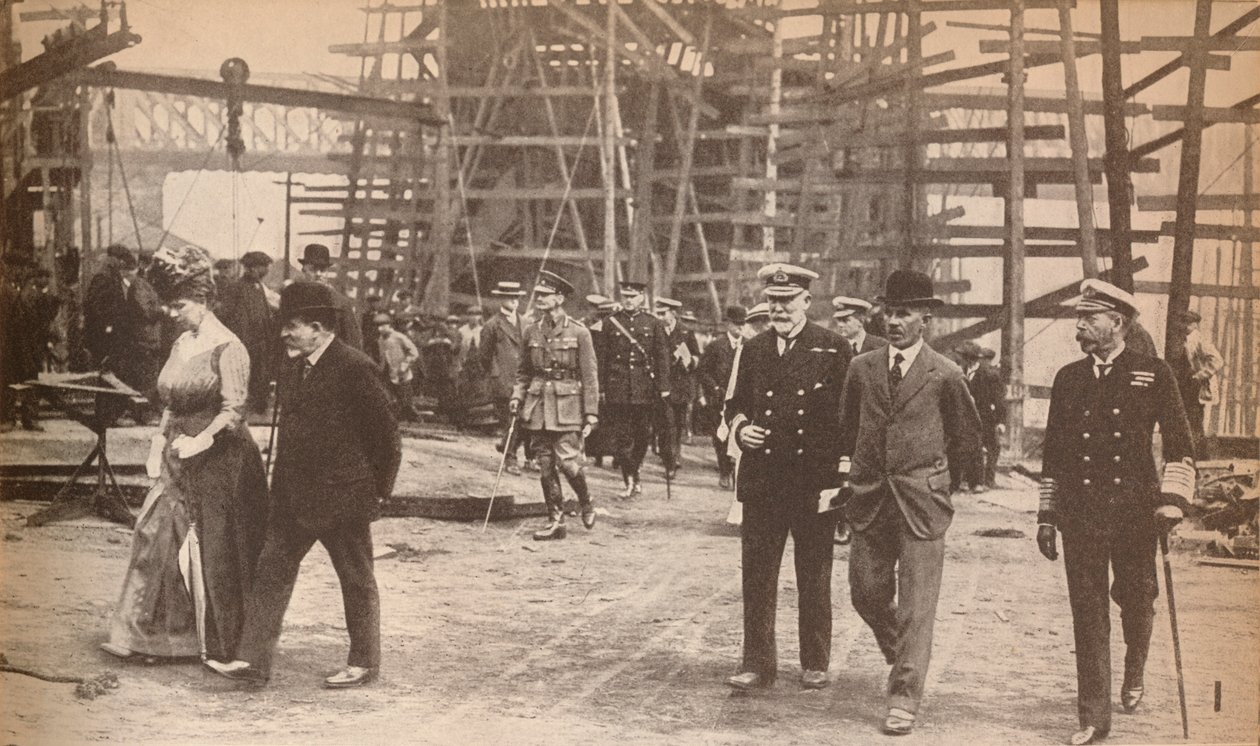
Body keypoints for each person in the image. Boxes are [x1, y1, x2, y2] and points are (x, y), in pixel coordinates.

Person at [206, 281, 400, 689]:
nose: (284, 334)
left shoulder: (355, 367)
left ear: (318, 327)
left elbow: (386, 437)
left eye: (292, 326)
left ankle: (364, 663)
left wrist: (378, 492)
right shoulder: (294, 365)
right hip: (294, 498)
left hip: (341, 498)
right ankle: (252, 662)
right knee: (271, 572)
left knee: (356, 579)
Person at [1037, 279, 1195, 746]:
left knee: (1136, 600)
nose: (1080, 327)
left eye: (1090, 319)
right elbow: (1055, 453)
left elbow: (1182, 445)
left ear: (1117, 323)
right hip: (1080, 515)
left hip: (1134, 514)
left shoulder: (1153, 372)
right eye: (1079, 319)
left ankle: (1135, 665)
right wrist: (1047, 515)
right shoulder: (1069, 378)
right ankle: (1093, 717)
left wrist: (1172, 500)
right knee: (1087, 613)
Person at [101, 245, 268, 664]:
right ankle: (153, 635)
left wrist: (203, 439)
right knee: (155, 535)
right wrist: (158, 441)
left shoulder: (230, 348)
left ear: (206, 302)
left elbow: (234, 409)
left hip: (218, 457)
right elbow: (171, 401)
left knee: (211, 545)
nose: (174, 312)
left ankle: (214, 638)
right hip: (177, 451)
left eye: (181, 305)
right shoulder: (181, 343)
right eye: (171, 304)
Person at [836, 269, 982, 735]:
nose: (894, 321)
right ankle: (900, 651)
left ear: (926, 319)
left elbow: (966, 440)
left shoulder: (946, 373)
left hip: (923, 503)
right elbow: (846, 428)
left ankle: (904, 697)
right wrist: (851, 479)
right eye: (889, 313)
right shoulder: (862, 368)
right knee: (866, 592)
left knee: (917, 607)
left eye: (905, 314)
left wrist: (943, 486)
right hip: (870, 497)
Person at [723, 264, 851, 692]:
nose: (778, 308)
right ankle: (757, 663)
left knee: (813, 575)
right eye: (773, 301)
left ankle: (814, 661)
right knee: (757, 575)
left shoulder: (832, 349)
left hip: (812, 480)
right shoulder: (754, 349)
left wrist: (841, 479)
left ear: (806, 303)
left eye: (787, 300)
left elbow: (847, 419)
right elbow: (733, 404)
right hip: (763, 481)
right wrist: (742, 429)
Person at [509, 270, 599, 540]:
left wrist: (591, 413)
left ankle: (586, 499)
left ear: (559, 298)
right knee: (545, 466)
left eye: (546, 295)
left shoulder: (579, 332)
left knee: (569, 463)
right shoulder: (531, 330)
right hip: (537, 406)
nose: (540, 299)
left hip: (567, 406)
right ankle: (556, 521)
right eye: (538, 295)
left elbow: (590, 375)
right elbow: (523, 372)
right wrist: (517, 396)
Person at [600, 280, 671, 498]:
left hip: (644, 387)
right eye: (625, 296)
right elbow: (602, 357)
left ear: (641, 298)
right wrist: (602, 387)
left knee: (643, 435)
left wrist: (664, 386)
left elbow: (662, 357)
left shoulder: (653, 323)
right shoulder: (610, 323)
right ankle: (629, 479)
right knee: (622, 438)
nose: (628, 300)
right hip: (618, 387)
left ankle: (635, 469)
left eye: (632, 297)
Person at [84, 244, 166, 424]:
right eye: (120, 260)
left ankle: (110, 415)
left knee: (113, 375)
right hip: (106, 336)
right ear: (114, 258)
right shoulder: (104, 277)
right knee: (110, 375)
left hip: (111, 335)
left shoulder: (109, 275)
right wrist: (110, 327)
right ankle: (109, 416)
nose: (122, 264)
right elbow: (99, 308)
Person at [217, 251, 277, 415]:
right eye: (262, 267)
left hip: (261, 341)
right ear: (252, 268)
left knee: (261, 375)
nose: (266, 271)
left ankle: (259, 409)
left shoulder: (259, 287)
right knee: (243, 376)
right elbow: (224, 314)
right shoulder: (236, 287)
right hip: (244, 341)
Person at [480, 281, 528, 474]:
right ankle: (510, 459)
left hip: (523, 380)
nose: (514, 301)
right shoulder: (492, 325)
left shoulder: (526, 323)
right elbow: (484, 356)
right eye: (510, 297)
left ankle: (506, 446)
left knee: (523, 420)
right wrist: (495, 373)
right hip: (503, 379)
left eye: (516, 297)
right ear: (501, 299)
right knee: (510, 420)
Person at [695, 305, 745, 490]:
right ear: (728, 324)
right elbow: (702, 371)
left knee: (739, 433)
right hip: (719, 398)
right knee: (720, 437)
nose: (740, 328)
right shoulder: (716, 346)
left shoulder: (748, 345)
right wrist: (714, 387)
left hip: (740, 399)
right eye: (736, 324)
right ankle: (724, 471)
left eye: (742, 324)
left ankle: (736, 470)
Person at [1168, 309, 1224, 458]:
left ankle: (1200, 455)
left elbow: (1217, 360)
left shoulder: (1199, 339)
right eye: (1183, 323)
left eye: (1188, 323)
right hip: (1189, 386)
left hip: (1197, 386)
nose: (1185, 326)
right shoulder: (1187, 339)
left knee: (1196, 421)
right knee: (1192, 420)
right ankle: (1193, 454)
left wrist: (1200, 375)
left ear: (1194, 324)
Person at [655, 297, 700, 480]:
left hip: (681, 386)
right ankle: (670, 463)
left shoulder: (686, 332)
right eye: (657, 313)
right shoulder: (655, 329)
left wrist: (688, 360)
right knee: (667, 425)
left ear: (672, 313)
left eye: (662, 313)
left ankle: (674, 455)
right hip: (662, 386)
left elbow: (697, 356)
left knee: (678, 425)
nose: (659, 316)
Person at [296, 243, 363, 351]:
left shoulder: (340, 303)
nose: (318, 274)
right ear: (304, 270)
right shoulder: (296, 300)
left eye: (322, 270)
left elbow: (352, 343)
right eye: (313, 269)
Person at [374, 312, 420, 420]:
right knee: (388, 397)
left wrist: (404, 365)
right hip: (388, 371)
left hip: (401, 373)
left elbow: (414, 352)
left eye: (382, 326)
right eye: (378, 326)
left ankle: (415, 418)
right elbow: (383, 356)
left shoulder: (399, 337)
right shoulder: (380, 339)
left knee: (406, 401)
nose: (380, 329)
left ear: (389, 325)